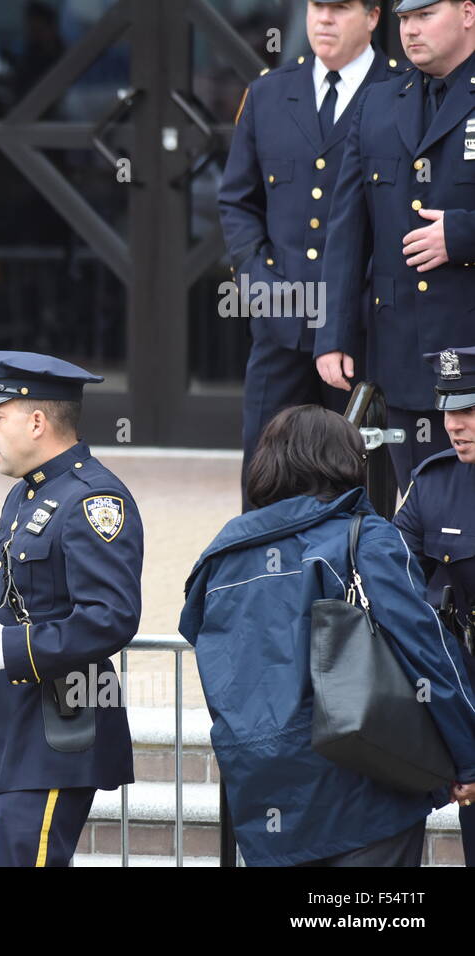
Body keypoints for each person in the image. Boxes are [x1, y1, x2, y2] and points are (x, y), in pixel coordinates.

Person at [180, 404, 475, 866]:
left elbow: (206, 644)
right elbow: (427, 648)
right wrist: (467, 756)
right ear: (345, 463)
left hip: (262, 792)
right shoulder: (364, 539)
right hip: (365, 788)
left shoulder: (221, 553)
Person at [0, 351, 143, 867]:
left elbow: (110, 616)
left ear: (36, 421)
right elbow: (11, 605)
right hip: (2, 735)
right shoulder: (25, 497)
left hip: (49, 737)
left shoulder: (93, 499)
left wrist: (10, 648)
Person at [218, 0, 400, 509]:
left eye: (340, 8)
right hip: (281, 321)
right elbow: (237, 200)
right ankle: (259, 582)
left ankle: (354, 584)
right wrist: (256, 278)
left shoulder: (401, 92)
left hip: (365, 328)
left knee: (361, 475)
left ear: (371, 17)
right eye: (317, 7)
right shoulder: (269, 92)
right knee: (264, 471)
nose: (323, 19)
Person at [319, 0, 475, 490]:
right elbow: (347, 229)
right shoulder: (379, 103)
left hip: (470, 345)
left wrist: (463, 235)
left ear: (468, 13)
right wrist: (334, 334)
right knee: (419, 510)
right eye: (404, 19)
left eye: (425, 15)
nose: (410, 30)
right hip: (403, 354)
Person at [395, 346, 475, 862]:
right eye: (447, 408)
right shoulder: (435, 482)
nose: (453, 424)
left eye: (468, 409)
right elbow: (392, 583)